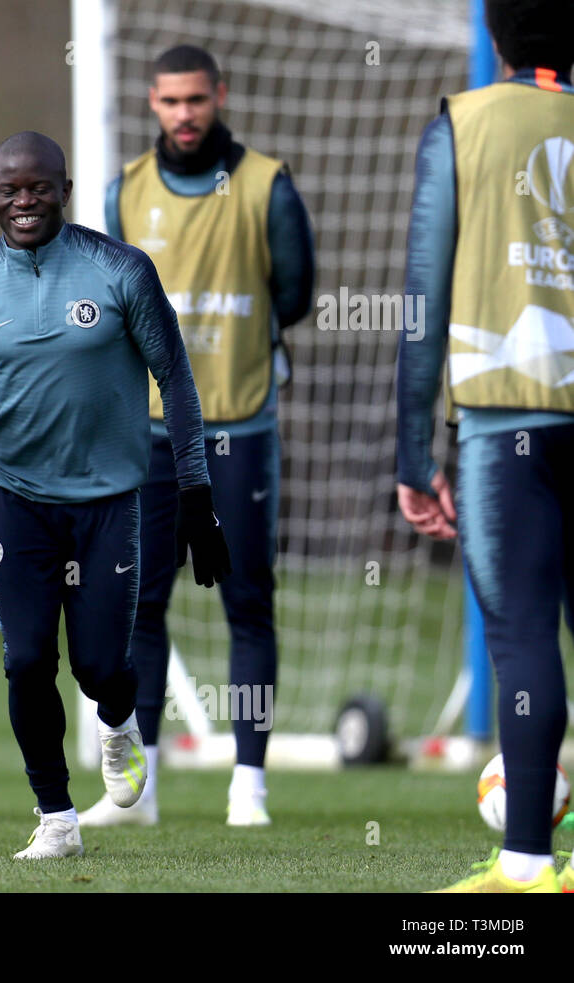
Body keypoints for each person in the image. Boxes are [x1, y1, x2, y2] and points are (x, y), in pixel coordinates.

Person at [0, 131, 230, 858]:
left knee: (100, 665)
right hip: (15, 497)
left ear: (64, 191)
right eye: (9, 188)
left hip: (109, 502)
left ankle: (120, 724)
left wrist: (196, 498)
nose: (23, 201)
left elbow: (178, 384)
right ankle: (56, 817)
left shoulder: (121, 270)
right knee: (27, 658)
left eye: (38, 187)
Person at [79, 44, 314, 829]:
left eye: (196, 100)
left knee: (247, 600)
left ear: (220, 94)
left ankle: (249, 782)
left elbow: (296, 292)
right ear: (153, 102)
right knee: (140, 605)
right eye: (170, 101)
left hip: (239, 428)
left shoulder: (266, 187)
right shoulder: (124, 195)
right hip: (145, 435)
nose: (184, 114)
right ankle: (138, 792)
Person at [396, 0, 574, 892]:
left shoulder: (463, 126)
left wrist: (410, 451)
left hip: (506, 419)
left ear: (495, 37)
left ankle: (529, 866)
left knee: (521, 639)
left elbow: (422, 298)